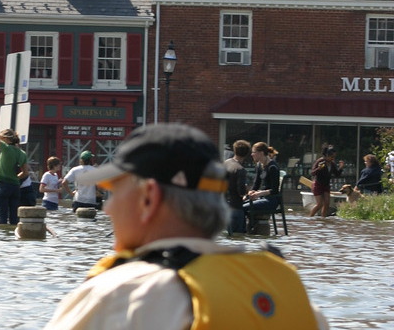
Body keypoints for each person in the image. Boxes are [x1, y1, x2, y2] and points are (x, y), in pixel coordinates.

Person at [44, 123, 329, 330]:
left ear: (149, 199)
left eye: (116, 193)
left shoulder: (119, 295)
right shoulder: (294, 299)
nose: (107, 208)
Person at [0, 128, 27, 225]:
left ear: (6, 138)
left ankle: (3, 238)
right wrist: (14, 178)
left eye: (2, 138)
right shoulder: (22, 153)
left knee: (3, 220)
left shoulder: (5, 148)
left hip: (3, 187)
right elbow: (25, 173)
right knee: (14, 220)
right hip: (15, 188)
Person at [242, 142, 281, 231]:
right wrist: (249, 193)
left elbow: (275, 190)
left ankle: (245, 230)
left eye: (254, 152)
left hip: (271, 200)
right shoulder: (259, 165)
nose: (252, 154)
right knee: (239, 204)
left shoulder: (272, 167)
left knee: (244, 208)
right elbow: (256, 184)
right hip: (261, 197)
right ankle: (248, 228)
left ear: (262, 153)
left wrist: (259, 194)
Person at [309, 144, 345, 217]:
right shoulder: (320, 161)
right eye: (332, 157)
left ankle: (323, 218)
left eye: (334, 157)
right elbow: (312, 173)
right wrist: (318, 169)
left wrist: (341, 168)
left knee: (327, 203)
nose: (333, 158)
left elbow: (337, 174)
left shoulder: (332, 164)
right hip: (318, 184)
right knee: (319, 204)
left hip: (326, 185)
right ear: (327, 155)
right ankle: (310, 216)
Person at [224, 139, 250, 233]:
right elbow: (241, 193)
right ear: (246, 154)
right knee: (239, 238)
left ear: (234, 150)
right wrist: (246, 190)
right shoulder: (240, 170)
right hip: (236, 209)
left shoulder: (226, 163)